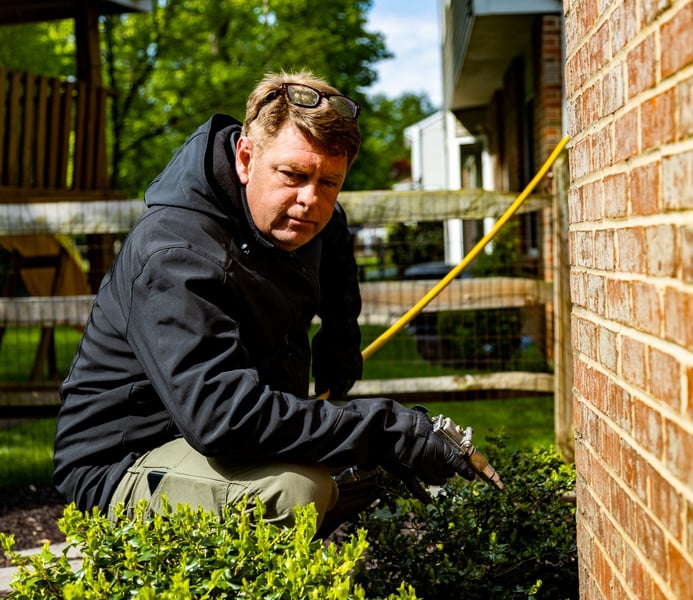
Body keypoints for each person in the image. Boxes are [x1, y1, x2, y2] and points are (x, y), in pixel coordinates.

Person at [52, 71, 476, 537]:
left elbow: (333, 234)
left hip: (218, 436)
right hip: (126, 459)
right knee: (298, 490)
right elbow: (222, 419)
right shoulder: (174, 253)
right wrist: (388, 429)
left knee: (368, 471)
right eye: (293, 175)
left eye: (329, 182)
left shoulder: (311, 216)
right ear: (245, 157)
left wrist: (341, 341)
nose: (309, 200)